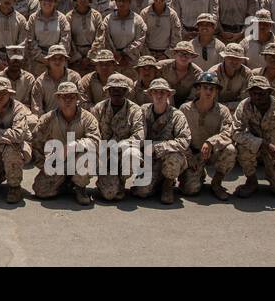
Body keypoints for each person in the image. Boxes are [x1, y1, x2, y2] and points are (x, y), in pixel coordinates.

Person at [30, 81, 100, 205]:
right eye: (64, 96)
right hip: (57, 161)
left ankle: (80, 186)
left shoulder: (88, 118)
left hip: (79, 160)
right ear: (57, 98)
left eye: (71, 97)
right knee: (41, 191)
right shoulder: (48, 119)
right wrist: (44, 164)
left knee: (89, 157)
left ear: (77, 98)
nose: (67, 100)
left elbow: (96, 141)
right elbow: (35, 142)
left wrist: (73, 146)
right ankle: (65, 183)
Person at [132, 79, 191, 204]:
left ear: (168, 95)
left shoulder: (177, 115)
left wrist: (158, 147)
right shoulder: (142, 111)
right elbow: (135, 132)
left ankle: (168, 184)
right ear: (150, 94)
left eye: (163, 92)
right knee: (142, 192)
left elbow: (184, 140)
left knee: (174, 156)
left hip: (168, 157)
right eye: (155, 92)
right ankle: (157, 180)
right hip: (148, 158)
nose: (159, 95)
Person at [179, 73, 236, 200]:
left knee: (230, 150)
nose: (208, 92)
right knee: (190, 190)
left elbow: (228, 132)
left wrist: (211, 142)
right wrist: (188, 157)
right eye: (205, 87)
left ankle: (217, 183)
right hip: (193, 153)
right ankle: (198, 173)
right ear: (198, 89)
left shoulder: (223, 111)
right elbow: (178, 135)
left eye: (212, 89)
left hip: (213, 151)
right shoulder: (185, 109)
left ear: (216, 92)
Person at [91, 73, 144, 202]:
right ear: (107, 90)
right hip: (103, 156)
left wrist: (116, 147)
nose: (116, 92)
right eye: (113, 89)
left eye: (121, 89)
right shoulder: (98, 109)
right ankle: (104, 179)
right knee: (109, 194)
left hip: (122, 154)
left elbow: (139, 136)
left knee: (133, 154)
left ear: (126, 91)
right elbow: (92, 134)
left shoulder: (135, 110)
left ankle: (122, 179)